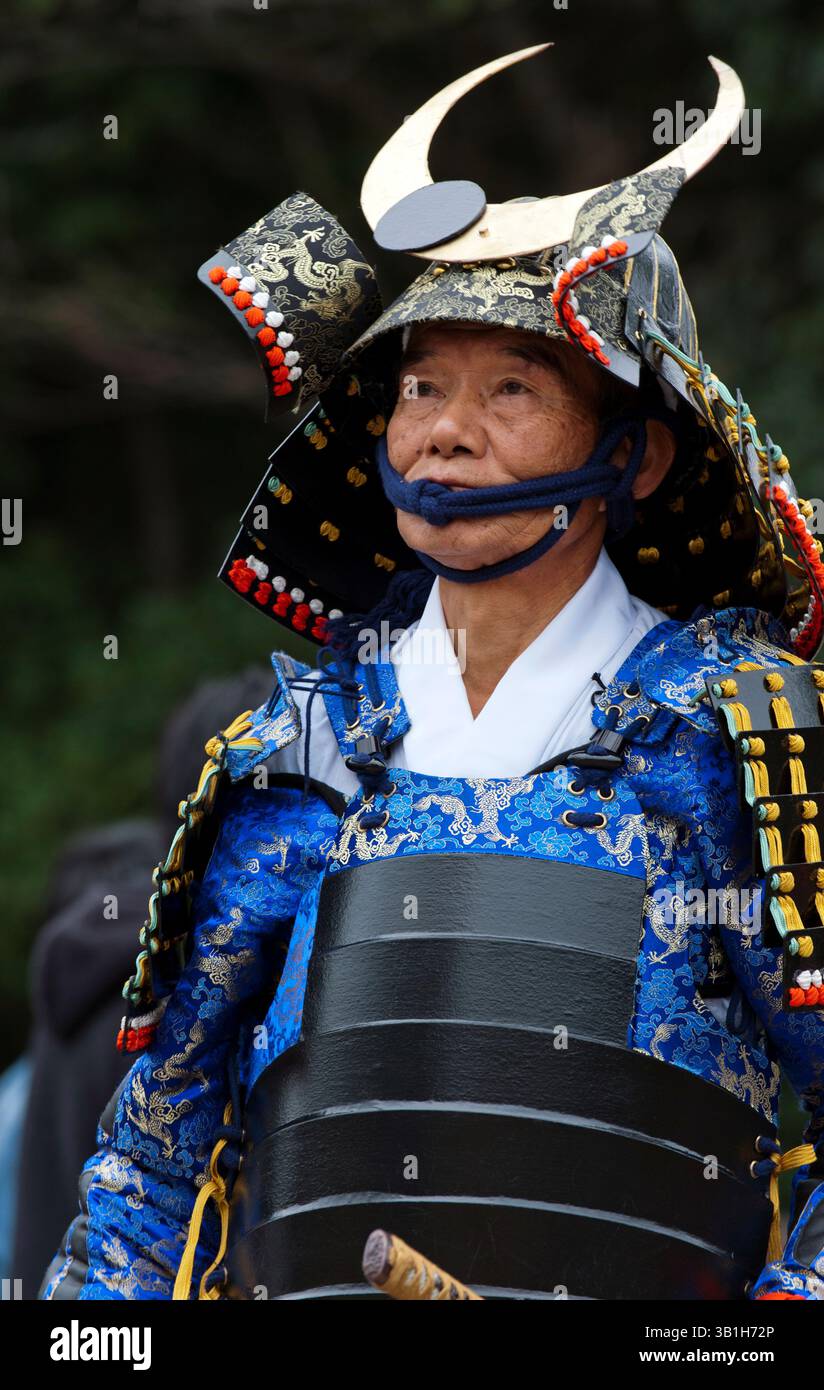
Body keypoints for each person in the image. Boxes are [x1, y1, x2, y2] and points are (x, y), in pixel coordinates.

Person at [42, 46, 824, 1301]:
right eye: (418, 387)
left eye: (510, 386)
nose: (444, 428)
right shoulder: (298, 746)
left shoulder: (723, 731)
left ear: (631, 457)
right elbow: (153, 1156)